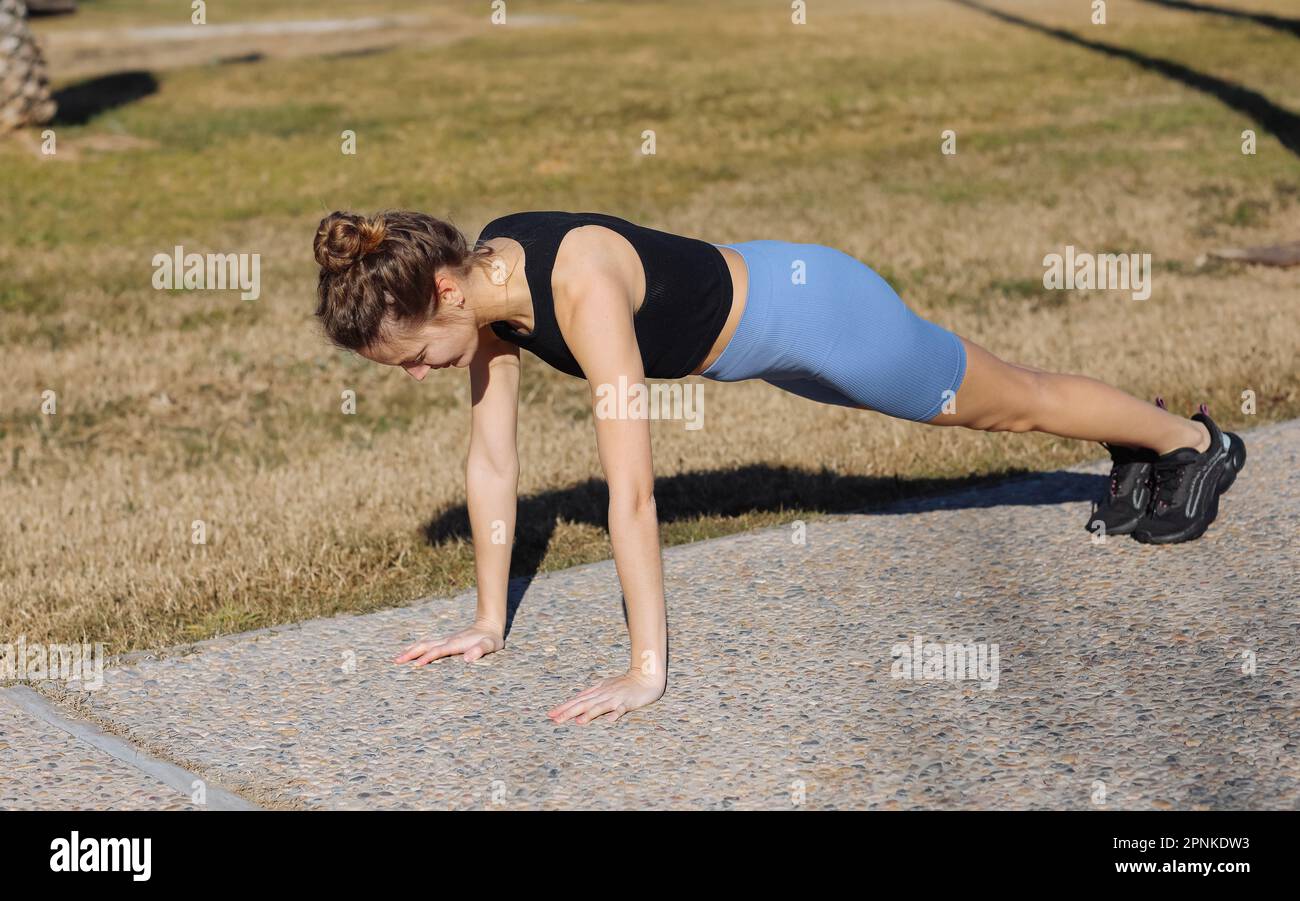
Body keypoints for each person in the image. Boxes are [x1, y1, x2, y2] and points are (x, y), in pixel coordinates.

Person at [312, 209, 1247, 724]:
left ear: (441, 290)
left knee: (1008, 403)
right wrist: (486, 620)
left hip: (822, 318)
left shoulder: (577, 284)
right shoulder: (487, 293)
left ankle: (1194, 443)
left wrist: (646, 669)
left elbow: (631, 491)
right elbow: (491, 457)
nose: (419, 373)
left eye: (413, 356)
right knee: (1005, 403)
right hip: (768, 346)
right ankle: (1140, 447)